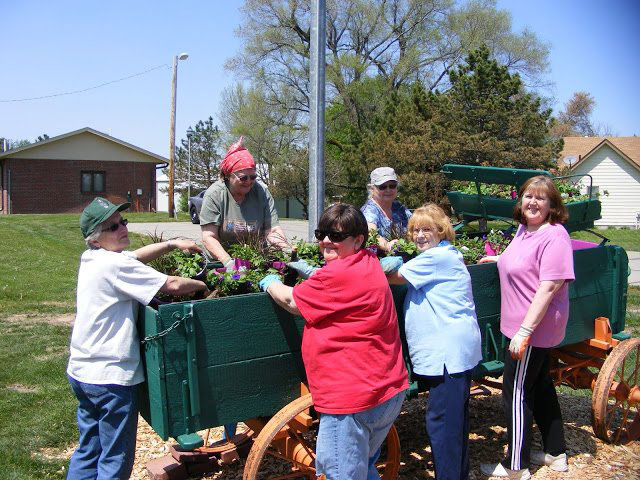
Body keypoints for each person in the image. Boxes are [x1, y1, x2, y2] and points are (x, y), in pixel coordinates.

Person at [259, 203, 409, 480]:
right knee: (363, 467)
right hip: (387, 391)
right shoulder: (369, 262)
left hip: (352, 401)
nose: (326, 240)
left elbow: (292, 301)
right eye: (322, 233)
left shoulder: (337, 275)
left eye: (337, 236)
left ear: (358, 240)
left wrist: (269, 283)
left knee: (341, 474)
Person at [67, 197, 209, 479]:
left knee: (89, 448)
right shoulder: (114, 266)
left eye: (123, 222)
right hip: (111, 378)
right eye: (112, 227)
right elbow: (172, 284)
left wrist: (171, 244)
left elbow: (138, 255)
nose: (122, 228)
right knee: (115, 457)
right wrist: (203, 284)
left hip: (82, 372)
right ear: (95, 240)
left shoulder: (95, 259)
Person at [479, 176, 574, 479]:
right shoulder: (525, 230)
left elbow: (548, 288)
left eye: (541, 198)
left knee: (516, 393)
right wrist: (495, 260)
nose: (533, 202)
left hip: (532, 329)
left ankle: (516, 467)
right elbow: (518, 262)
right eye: (528, 196)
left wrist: (524, 332)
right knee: (540, 386)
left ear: (552, 205)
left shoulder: (555, 236)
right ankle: (556, 454)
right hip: (522, 327)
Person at [382, 204, 482, 480]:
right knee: (454, 422)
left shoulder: (437, 258)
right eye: (415, 230)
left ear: (441, 231)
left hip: (448, 353)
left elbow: (393, 277)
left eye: (427, 229)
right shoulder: (445, 255)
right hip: (454, 351)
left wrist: (368, 263)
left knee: (441, 423)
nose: (419, 235)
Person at [199, 137, 291, 269]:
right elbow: (209, 236)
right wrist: (229, 262)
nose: (249, 181)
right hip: (221, 262)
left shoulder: (261, 192)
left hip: (256, 260)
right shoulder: (215, 195)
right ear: (228, 176)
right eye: (243, 178)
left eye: (253, 177)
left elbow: (272, 231)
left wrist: (288, 251)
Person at [361, 166, 412, 252]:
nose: (388, 190)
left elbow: (416, 222)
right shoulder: (369, 210)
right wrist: (387, 246)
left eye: (392, 186)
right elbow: (370, 233)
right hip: (378, 260)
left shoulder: (399, 207)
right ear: (372, 189)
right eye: (382, 187)